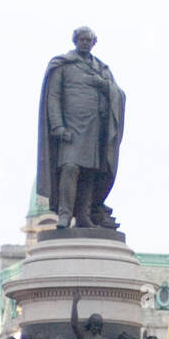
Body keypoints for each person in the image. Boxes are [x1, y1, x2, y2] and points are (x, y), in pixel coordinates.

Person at [37, 25, 125, 229]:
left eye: (89, 40)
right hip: (71, 129)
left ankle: (84, 215)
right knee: (70, 167)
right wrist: (58, 126)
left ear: (94, 43)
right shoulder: (63, 65)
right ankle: (64, 214)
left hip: (95, 128)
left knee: (90, 171)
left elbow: (118, 94)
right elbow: (54, 96)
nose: (85, 43)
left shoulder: (102, 69)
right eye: (81, 39)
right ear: (75, 41)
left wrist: (103, 85)